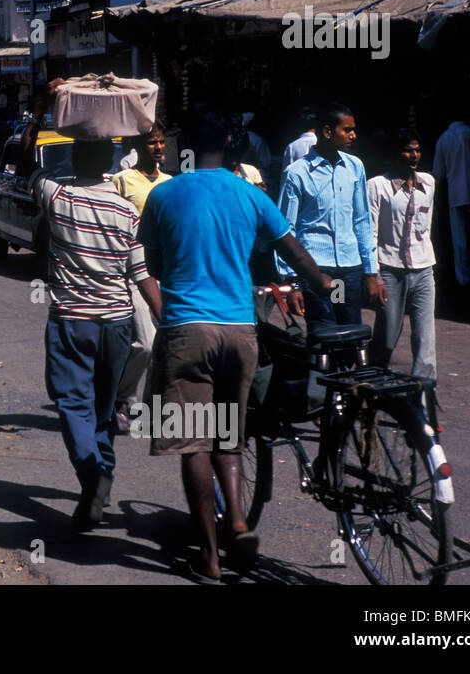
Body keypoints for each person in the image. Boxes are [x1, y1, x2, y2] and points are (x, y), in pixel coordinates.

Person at [138, 105, 334, 583]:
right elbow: (292, 250)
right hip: (240, 333)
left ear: (186, 147)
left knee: (194, 444)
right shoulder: (250, 194)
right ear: (229, 148)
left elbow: (153, 263)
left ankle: (208, 557)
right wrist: (324, 283)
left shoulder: (164, 195)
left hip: (188, 330)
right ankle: (240, 521)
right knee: (229, 435)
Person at [18, 82, 163, 533]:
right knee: (103, 411)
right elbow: (143, 277)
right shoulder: (127, 212)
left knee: (73, 406)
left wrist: (43, 104)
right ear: (111, 165)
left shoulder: (58, 198)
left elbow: (24, 161)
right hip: (118, 325)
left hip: (72, 323)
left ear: (74, 160)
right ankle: (94, 494)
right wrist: (169, 318)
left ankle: (93, 474)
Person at [276, 103, 383, 325]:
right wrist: (293, 284)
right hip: (315, 271)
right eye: (347, 130)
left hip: (349, 270)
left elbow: (362, 220)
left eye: (354, 130)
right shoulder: (297, 173)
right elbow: (286, 230)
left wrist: (371, 272)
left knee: (349, 334)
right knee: (323, 335)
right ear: (327, 132)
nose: (353, 135)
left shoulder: (355, 167)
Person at [109, 122, 171, 432]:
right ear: (138, 147)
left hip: (168, 274)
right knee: (144, 343)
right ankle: (122, 398)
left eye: (161, 143)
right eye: (152, 144)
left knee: (169, 341)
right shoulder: (121, 181)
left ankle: (156, 405)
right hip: (133, 274)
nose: (158, 148)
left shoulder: (171, 182)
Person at [369, 129, 437, 382]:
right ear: (394, 153)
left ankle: (424, 397)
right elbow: (371, 234)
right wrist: (374, 275)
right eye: (408, 150)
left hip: (423, 268)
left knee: (425, 337)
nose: (414, 155)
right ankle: (371, 389)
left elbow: (426, 227)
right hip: (389, 269)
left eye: (417, 150)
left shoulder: (428, 183)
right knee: (386, 336)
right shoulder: (377, 186)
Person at [432, 117, 470, 289]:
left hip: (456, 194)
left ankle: (464, 280)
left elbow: (438, 173)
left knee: (460, 241)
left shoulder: (444, 138)